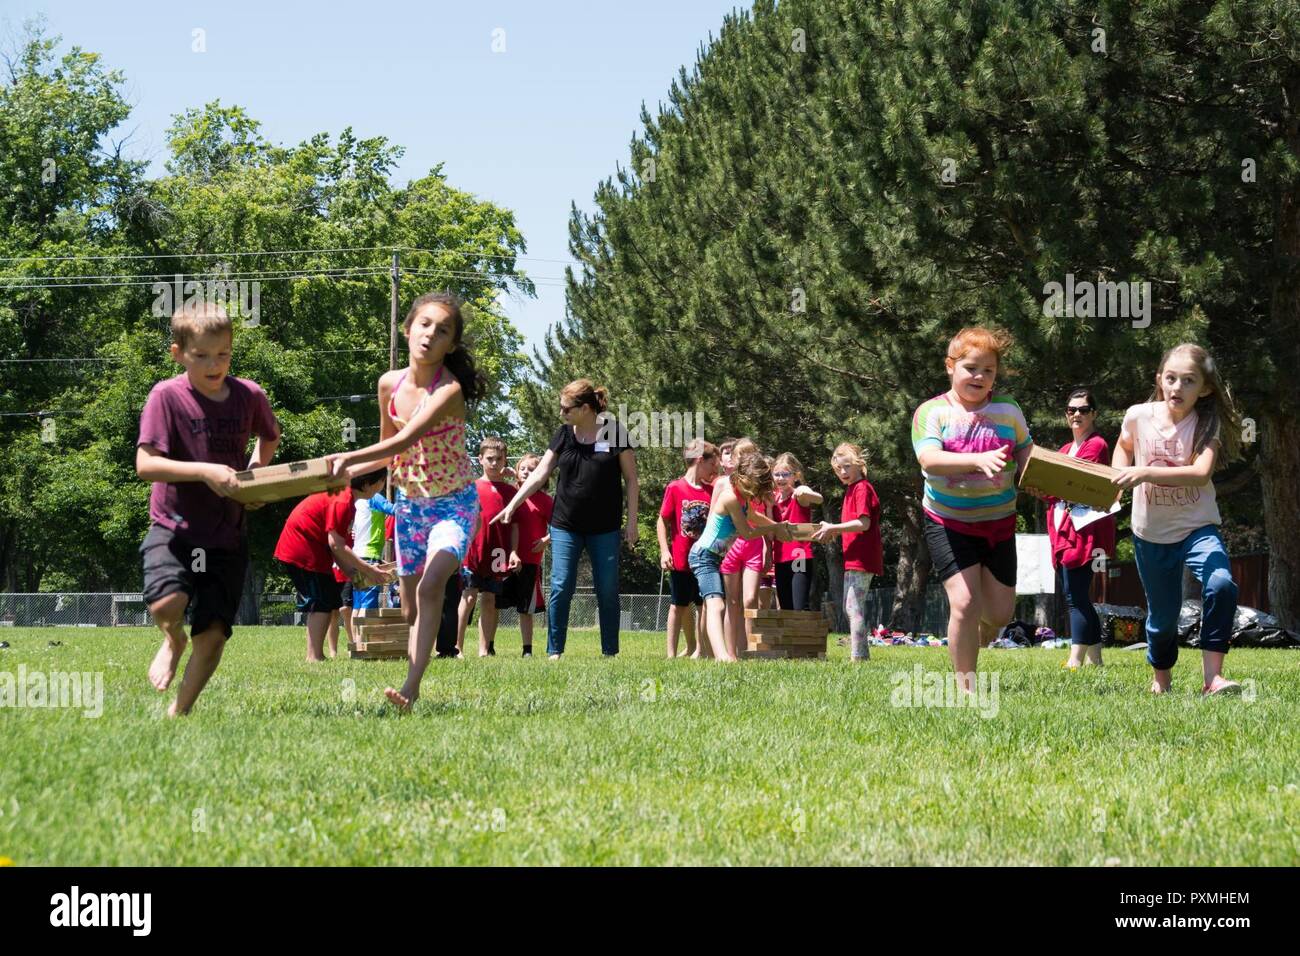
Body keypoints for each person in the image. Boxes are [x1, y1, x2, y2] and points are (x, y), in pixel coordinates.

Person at [327, 291, 484, 711]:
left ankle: (411, 687)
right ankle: (415, 668)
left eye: (443, 330)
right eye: (425, 324)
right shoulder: (388, 384)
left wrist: (345, 456)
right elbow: (385, 448)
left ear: (451, 344)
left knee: (434, 586)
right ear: (407, 328)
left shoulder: (448, 390)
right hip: (411, 507)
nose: (431, 334)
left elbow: (407, 437)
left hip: (454, 503)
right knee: (412, 607)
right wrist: (347, 477)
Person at [136, 302, 281, 716]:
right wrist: (205, 472)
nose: (214, 364)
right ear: (178, 352)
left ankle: (178, 713)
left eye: (224, 354)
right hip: (175, 527)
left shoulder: (249, 395)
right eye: (201, 355)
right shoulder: (166, 396)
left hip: (226, 533)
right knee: (167, 605)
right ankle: (172, 638)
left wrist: (256, 474)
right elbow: (146, 464)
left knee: (214, 631)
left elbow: (270, 436)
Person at [1111, 343, 1244, 696]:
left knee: (1220, 584)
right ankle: (1161, 680)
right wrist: (1119, 477)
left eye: (1188, 381)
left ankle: (1212, 679)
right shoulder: (1138, 416)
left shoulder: (1206, 423)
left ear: (1205, 389)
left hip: (1196, 527)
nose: (1177, 387)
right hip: (1150, 532)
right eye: (1171, 378)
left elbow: (1201, 473)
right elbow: (1124, 446)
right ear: (1159, 380)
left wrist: (1142, 473)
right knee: (1163, 617)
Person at [911, 326, 1033, 691]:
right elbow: (929, 459)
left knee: (999, 614)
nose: (979, 376)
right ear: (950, 367)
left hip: (999, 522)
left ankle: (981, 628)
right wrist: (976, 460)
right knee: (964, 602)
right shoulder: (931, 412)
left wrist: (1041, 478)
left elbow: (1025, 450)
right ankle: (966, 688)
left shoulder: (1008, 409)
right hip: (949, 523)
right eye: (970, 367)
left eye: (988, 370)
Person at [493, 379, 638, 659]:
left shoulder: (615, 433)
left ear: (585, 408)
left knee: (607, 589)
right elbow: (539, 474)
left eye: (566, 408)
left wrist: (631, 522)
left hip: (605, 528)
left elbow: (631, 479)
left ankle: (610, 652)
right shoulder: (563, 434)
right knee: (561, 586)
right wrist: (513, 503)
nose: (561, 413)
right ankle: (554, 651)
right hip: (565, 526)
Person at [1024, 389, 1116, 669]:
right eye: (1071, 410)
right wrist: (1039, 489)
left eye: (1084, 409)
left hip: (1085, 531)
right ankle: (1096, 659)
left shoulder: (1096, 444)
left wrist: (1051, 484)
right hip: (1065, 527)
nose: (1076, 414)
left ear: (1094, 414)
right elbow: (1057, 492)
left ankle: (1075, 660)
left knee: (1075, 595)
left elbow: (1072, 481)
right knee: (1077, 595)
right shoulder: (1065, 450)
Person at [274, 473, 392, 661]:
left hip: (314, 549)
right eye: (382, 482)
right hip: (301, 548)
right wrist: (368, 570)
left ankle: (316, 655)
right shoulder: (342, 500)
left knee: (327, 600)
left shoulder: (348, 500)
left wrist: (354, 575)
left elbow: (338, 547)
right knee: (319, 601)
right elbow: (336, 545)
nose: (383, 486)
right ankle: (314, 657)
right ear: (368, 484)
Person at [689, 449, 792, 661]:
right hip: (703, 556)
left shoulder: (743, 500)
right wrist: (773, 531)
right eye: (755, 488)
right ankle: (721, 656)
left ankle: (722, 655)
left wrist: (779, 526)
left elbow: (755, 516)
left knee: (717, 604)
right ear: (744, 479)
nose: (756, 495)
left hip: (714, 557)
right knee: (716, 604)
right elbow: (747, 532)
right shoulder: (730, 498)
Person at [813, 443, 882, 660]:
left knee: (853, 609)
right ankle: (862, 656)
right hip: (854, 557)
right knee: (851, 608)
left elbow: (864, 523)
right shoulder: (852, 489)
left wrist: (833, 528)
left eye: (847, 466)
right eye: (838, 469)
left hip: (863, 556)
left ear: (859, 465)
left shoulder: (862, 488)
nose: (843, 472)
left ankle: (859, 659)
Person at [657, 439, 718, 658]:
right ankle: (671, 654)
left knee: (704, 606)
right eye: (713, 464)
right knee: (678, 605)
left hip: (705, 560)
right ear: (701, 460)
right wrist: (665, 551)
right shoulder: (675, 488)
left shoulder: (712, 491)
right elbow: (662, 521)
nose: (715, 469)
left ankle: (700, 650)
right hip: (681, 560)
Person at [457, 437, 518, 657]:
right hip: (473, 550)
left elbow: (514, 526)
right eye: (489, 459)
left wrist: (513, 551)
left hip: (498, 552)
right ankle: (458, 647)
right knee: (469, 596)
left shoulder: (511, 492)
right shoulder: (471, 487)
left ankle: (484, 650)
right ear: (480, 459)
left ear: (505, 460)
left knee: (490, 599)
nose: (494, 463)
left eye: (499, 459)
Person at [720, 438, 772, 657]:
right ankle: (732, 653)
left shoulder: (761, 489)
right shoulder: (725, 485)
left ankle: (750, 651)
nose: (743, 458)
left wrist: (768, 548)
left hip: (753, 544)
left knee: (749, 599)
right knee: (731, 602)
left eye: (749, 454)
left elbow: (763, 519)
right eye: (739, 455)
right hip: (731, 546)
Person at [504, 452, 552, 657]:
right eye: (522, 468)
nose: (526, 472)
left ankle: (527, 650)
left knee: (526, 609)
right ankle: (487, 647)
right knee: (493, 602)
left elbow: (560, 526)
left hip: (530, 560)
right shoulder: (510, 494)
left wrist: (545, 541)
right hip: (504, 559)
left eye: (531, 469)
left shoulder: (544, 500)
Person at [771, 452, 823, 611]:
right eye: (777, 474)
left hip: (798, 556)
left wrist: (804, 490)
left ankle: (806, 636)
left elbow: (818, 498)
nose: (780, 478)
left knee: (800, 607)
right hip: (779, 558)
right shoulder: (773, 499)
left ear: (795, 475)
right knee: (786, 607)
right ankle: (789, 637)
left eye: (785, 474)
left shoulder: (799, 495)